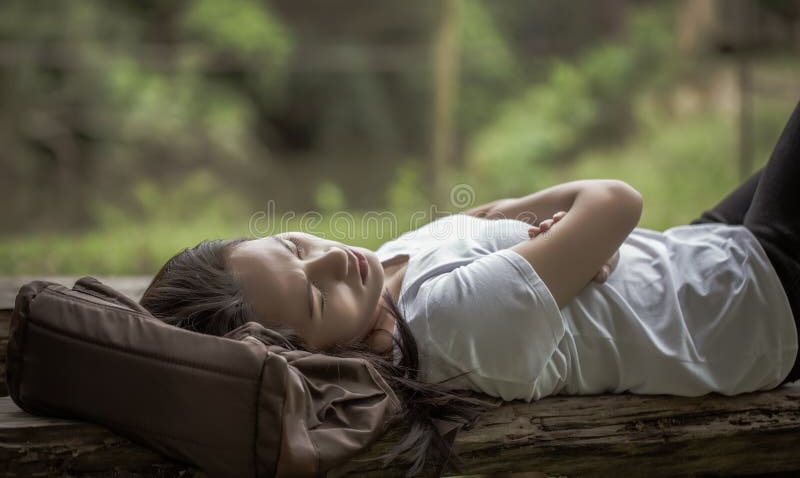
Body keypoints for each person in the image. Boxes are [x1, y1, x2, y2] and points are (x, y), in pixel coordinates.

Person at [141, 100, 800, 475]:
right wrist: (554, 222)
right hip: (753, 305)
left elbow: (489, 222)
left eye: (294, 246)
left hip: (696, 257)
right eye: (318, 299)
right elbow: (618, 200)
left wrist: (550, 238)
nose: (334, 261)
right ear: (323, 360)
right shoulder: (455, 323)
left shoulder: (385, 282)